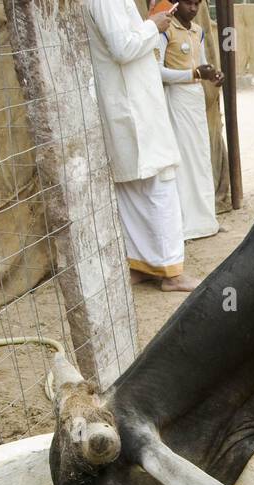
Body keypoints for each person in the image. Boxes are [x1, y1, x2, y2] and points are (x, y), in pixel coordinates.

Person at [83, 0, 197, 293]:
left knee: (135, 187)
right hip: (132, 106)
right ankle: (171, 273)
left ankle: (145, 265)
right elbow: (123, 48)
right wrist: (154, 26)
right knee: (160, 184)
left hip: (130, 102)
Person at [159, 0, 221, 241]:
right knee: (184, 159)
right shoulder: (165, 29)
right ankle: (187, 225)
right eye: (188, 3)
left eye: (197, 3)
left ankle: (206, 221)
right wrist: (192, 74)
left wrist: (212, 74)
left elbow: (202, 64)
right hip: (177, 98)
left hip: (195, 98)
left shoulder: (198, 31)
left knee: (200, 157)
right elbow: (156, 70)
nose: (193, 9)